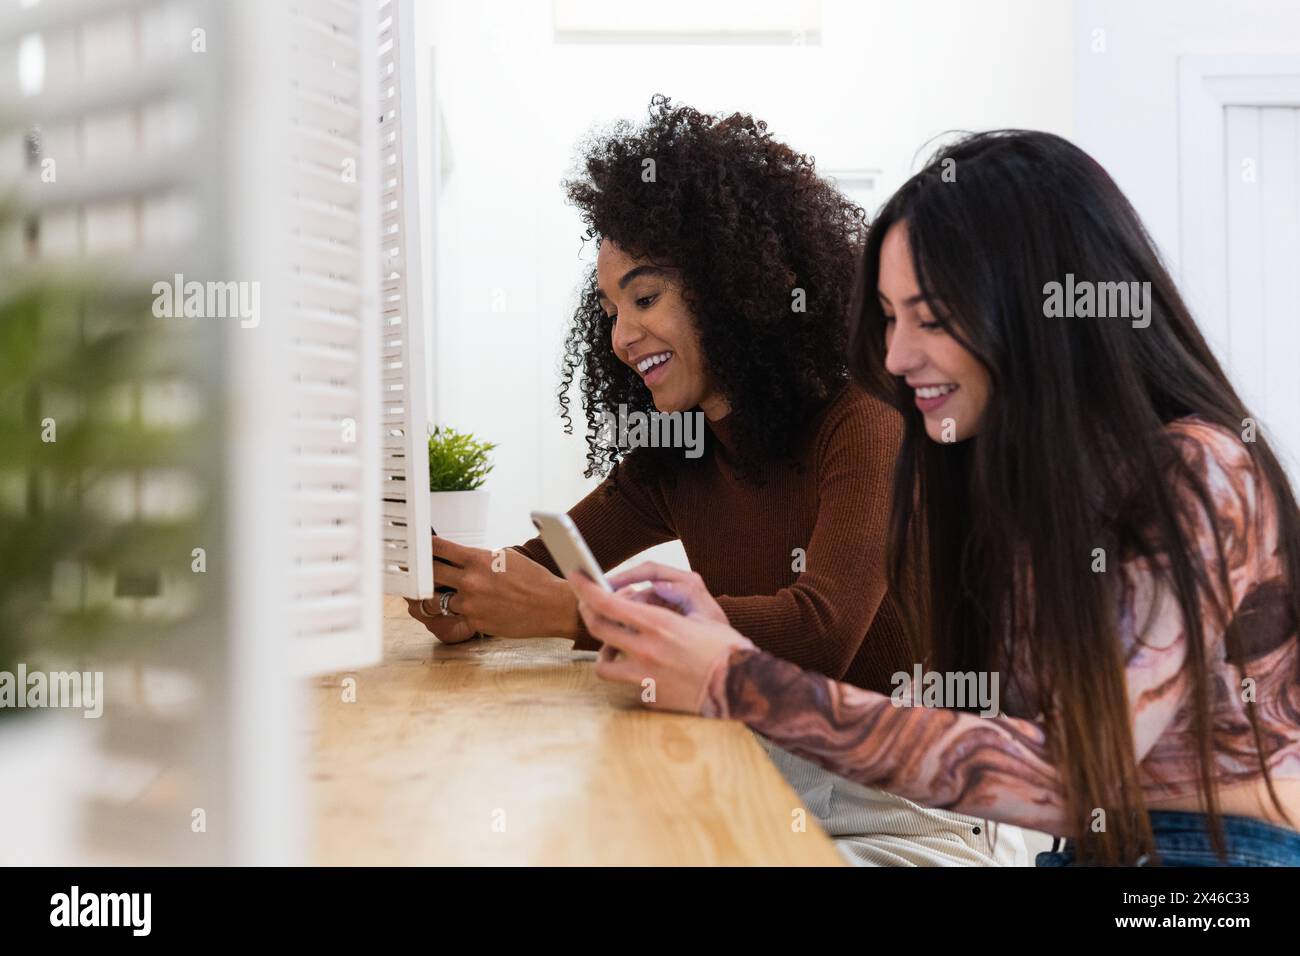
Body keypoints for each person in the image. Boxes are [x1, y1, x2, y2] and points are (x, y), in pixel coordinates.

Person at [571, 129, 1300, 867]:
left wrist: (737, 677)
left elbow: (1082, 773)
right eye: (890, 317)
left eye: (930, 315)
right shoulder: (1019, 492)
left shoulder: (1201, 469)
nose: (894, 356)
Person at [407, 99, 1026, 866]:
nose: (620, 335)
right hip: (768, 775)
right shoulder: (679, 451)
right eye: (608, 308)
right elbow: (532, 568)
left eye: (644, 297)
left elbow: (820, 631)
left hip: (904, 814)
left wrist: (579, 612)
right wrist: (459, 592)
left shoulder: (865, 418)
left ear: (733, 287)